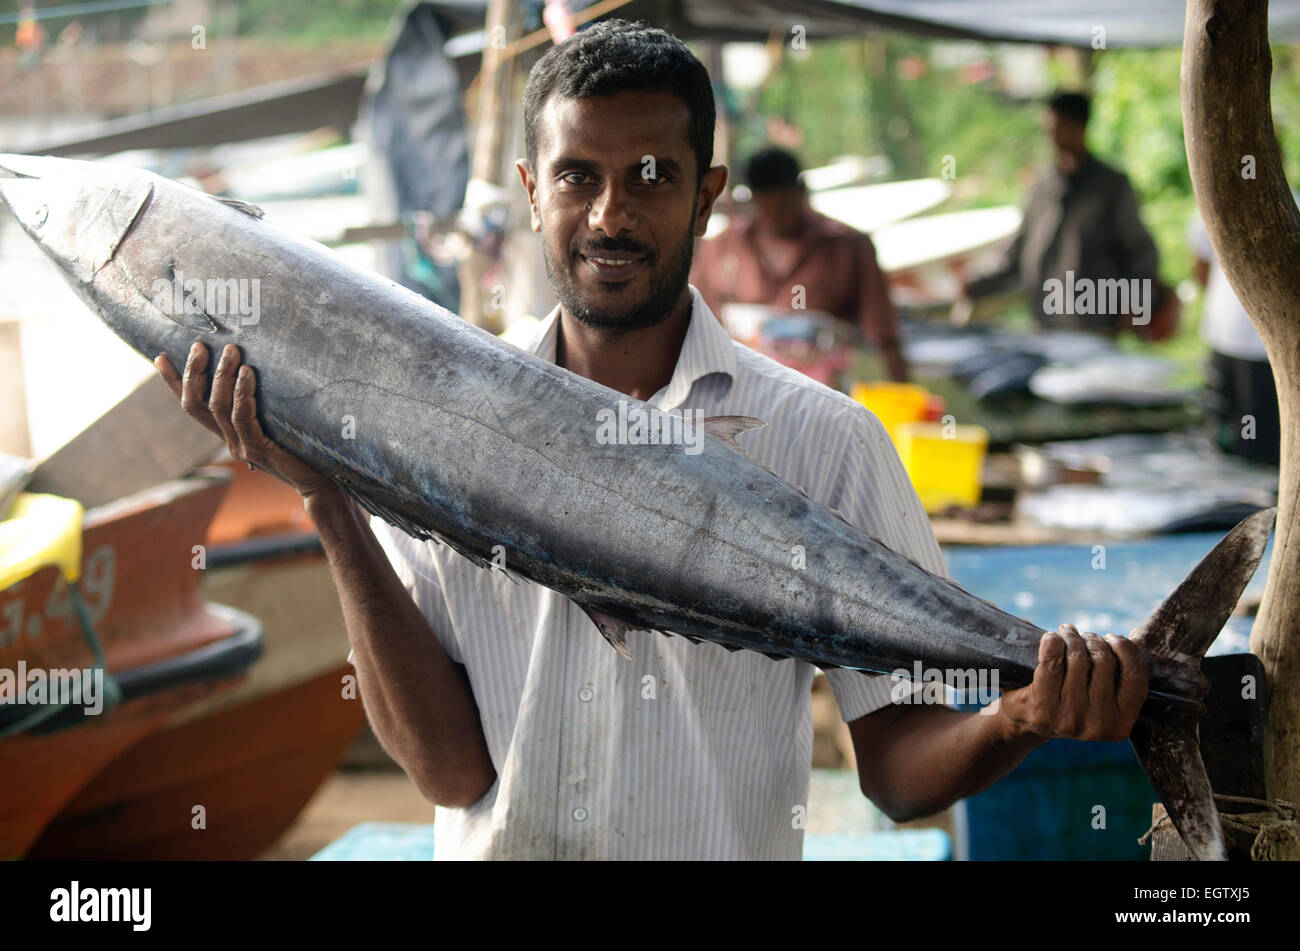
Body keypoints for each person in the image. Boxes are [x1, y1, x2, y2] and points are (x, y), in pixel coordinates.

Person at [156, 21, 1148, 860]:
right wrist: (327, 498)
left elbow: (895, 776)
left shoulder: (824, 440)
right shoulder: (435, 428)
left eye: (649, 177)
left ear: (708, 194)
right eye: (576, 177)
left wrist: (1015, 716)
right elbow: (451, 771)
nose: (609, 215)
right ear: (528, 190)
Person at [956, 91, 1167, 336]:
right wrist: (977, 280)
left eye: (1060, 128)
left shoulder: (1110, 186)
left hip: (1095, 327)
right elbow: (1016, 251)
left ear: (1080, 127)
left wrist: (1135, 304)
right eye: (1050, 130)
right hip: (1045, 325)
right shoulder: (1042, 187)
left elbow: (1142, 252)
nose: (1054, 138)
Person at [691, 146, 909, 381]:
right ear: (753, 199)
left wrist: (900, 394)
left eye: (784, 207)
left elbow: (883, 335)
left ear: (801, 191)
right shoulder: (722, 247)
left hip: (827, 397)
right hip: (738, 394)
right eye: (766, 207)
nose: (775, 217)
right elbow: (693, 326)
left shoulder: (849, 246)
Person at [1188, 200, 1288, 465]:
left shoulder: (1211, 203)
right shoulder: (1211, 203)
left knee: (1250, 435)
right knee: (1243, 432)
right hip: (1232, 337)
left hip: (1255, 344)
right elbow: (1202, 268)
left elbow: (1201, 271)